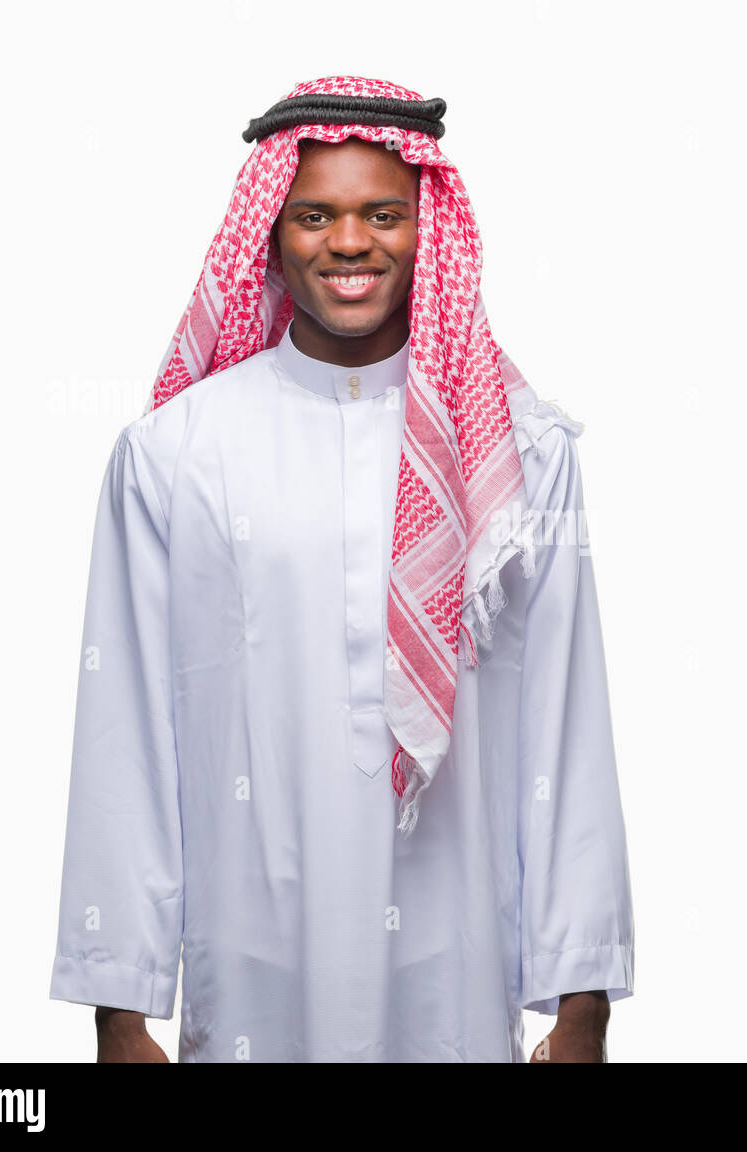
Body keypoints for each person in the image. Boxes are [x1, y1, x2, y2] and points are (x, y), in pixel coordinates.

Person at [47, 75, 634, 1063]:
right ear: (271, 233)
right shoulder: (175, 453)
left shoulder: (521, 456)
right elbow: (126, 732)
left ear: (427, 229)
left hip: (455, 966)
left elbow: (564, 731)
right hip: (250, 967)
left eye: (382, 215)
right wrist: (121, 1009)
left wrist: (580, 1003)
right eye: (314, 215)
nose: (350, 243)